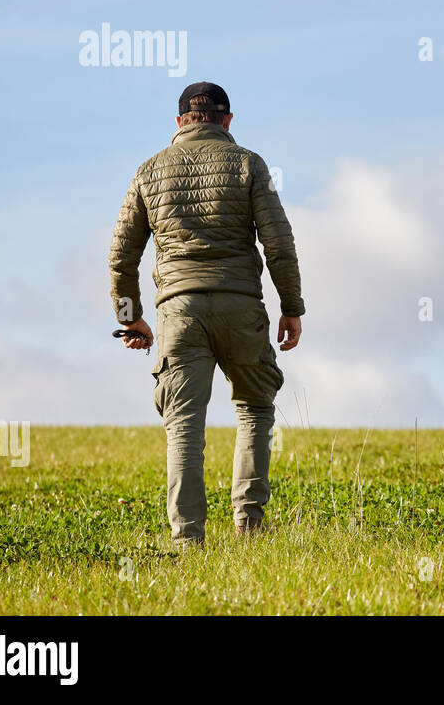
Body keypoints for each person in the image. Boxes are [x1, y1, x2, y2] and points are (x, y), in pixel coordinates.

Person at [109, 82, 304, 546]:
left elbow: (121, 256)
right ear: (227, 121)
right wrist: (291, 307)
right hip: (241, 305)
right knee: (255, 407)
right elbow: (278, 243)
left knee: (184, 423)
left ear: (180, 123)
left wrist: (130, 316)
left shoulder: (148, 171)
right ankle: (249, 525)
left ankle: (187, 539)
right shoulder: (248, 164)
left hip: (178, 310)